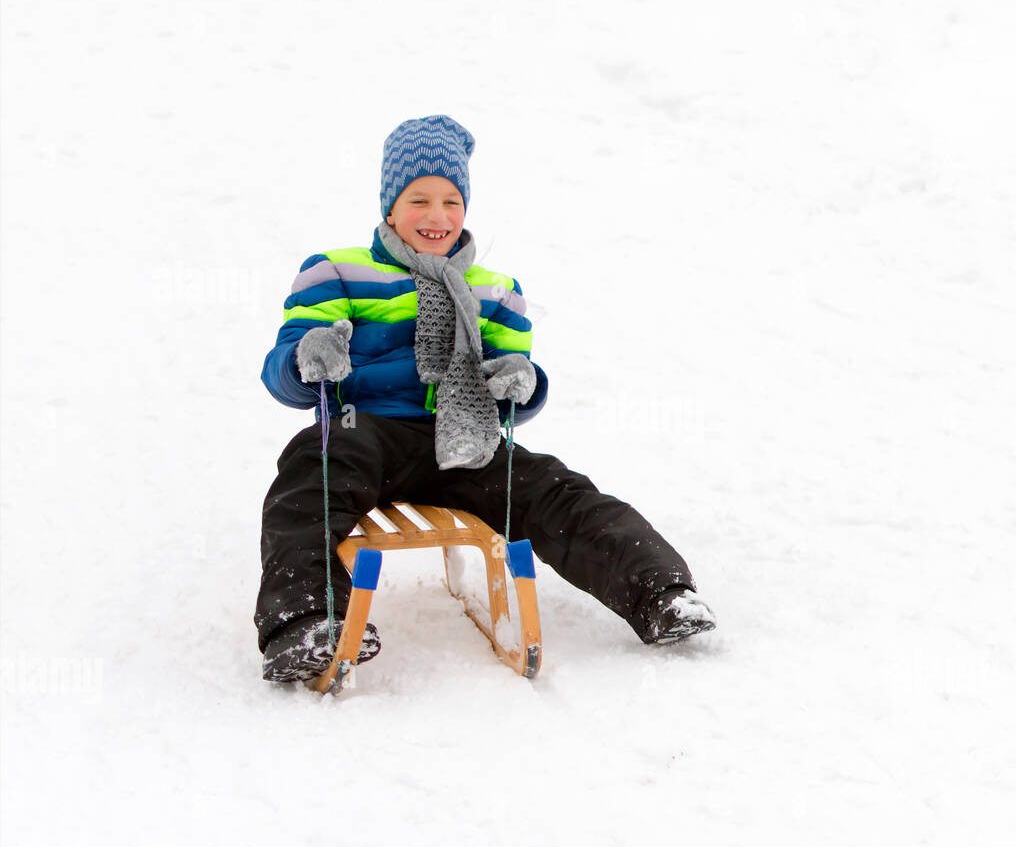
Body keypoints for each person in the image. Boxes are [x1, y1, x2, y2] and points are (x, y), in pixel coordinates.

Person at [255, 114, 716, 682]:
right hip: (363, 431)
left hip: (465, 442)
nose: (437, 216)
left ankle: (662, 591)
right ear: (390, 207)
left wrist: (522, 383)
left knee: (555, 490)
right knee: (309, 476)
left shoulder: (496, 291)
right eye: (419, 200)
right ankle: (305, 621)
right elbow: (283, 370)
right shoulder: (337, 272)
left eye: (451, 201)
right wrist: (307, 357)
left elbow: (513, 386)